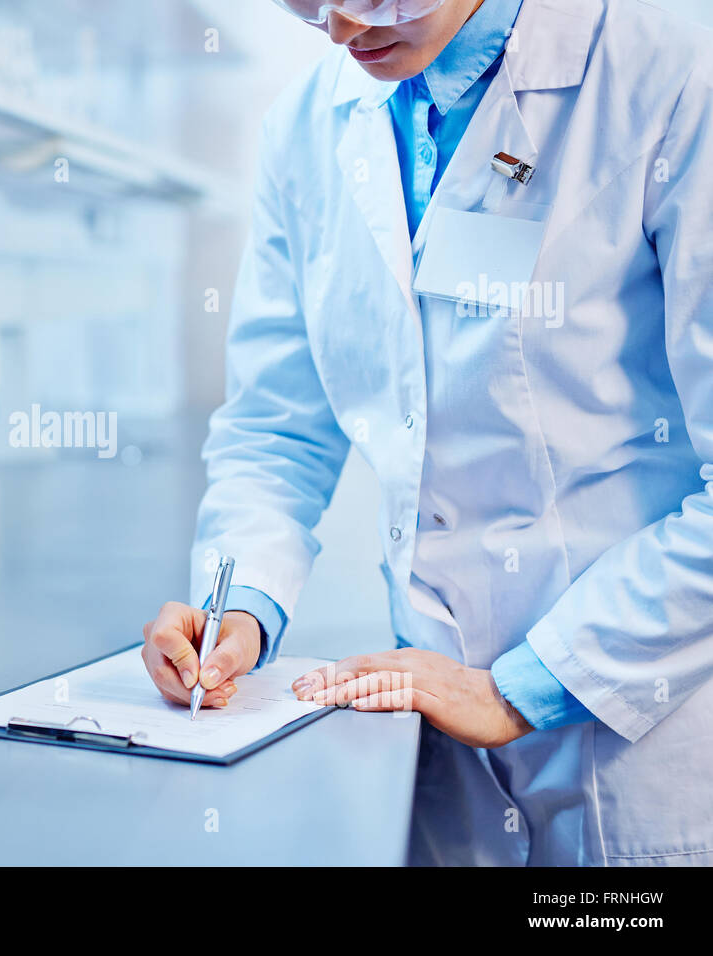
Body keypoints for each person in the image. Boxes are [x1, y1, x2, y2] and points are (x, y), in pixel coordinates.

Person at [140, 0, 713, 865]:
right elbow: (274, 428)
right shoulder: (308, 128)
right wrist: (239, 609)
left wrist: (523, 689)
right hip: (437, 740)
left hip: (642, 738)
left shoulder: (668, 73)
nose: (339, 27)